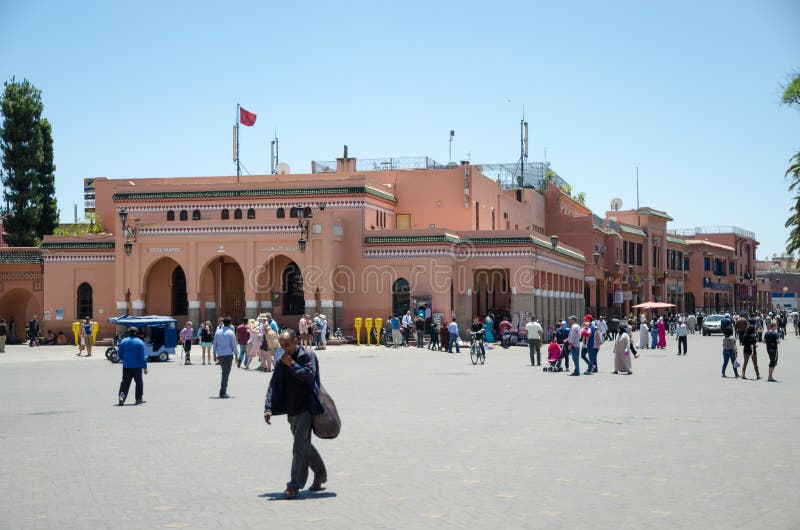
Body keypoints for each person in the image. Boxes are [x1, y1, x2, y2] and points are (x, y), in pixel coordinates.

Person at [264, 329, 327, 500]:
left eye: (287, 345)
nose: (285, 349)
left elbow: (309, 376)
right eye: (282, 346)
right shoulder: (282, 358)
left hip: (306, 408)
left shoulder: (307, 355)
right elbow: (274, 383)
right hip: (291, 409)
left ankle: (294, 485)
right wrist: (268, 407)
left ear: (296, 341)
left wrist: (291, 364)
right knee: (303, 445)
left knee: (299, 446)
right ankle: (320, 473)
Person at [117, 326, 148, 406]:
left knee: (125, 383)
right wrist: (145, 367)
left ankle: (122, 397)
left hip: (126, 366)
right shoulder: (139, 342)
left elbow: (119, 354)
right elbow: (143, 357)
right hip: (137, 367)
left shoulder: (123, 341)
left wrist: (123, 359)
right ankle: (138, 399)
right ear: (136, 333)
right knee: (138, 382)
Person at [212, 316, 237, 398]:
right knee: (225, 374)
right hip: (228, 355)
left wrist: (214, 354)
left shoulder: (217, 332)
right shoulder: (231, 332)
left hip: (220, 355)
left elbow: (214, 344)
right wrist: (236, 355)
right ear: (230, 323)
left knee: (224, 372)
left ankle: (223, 391)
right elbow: (234, 345)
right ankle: (223, 392)